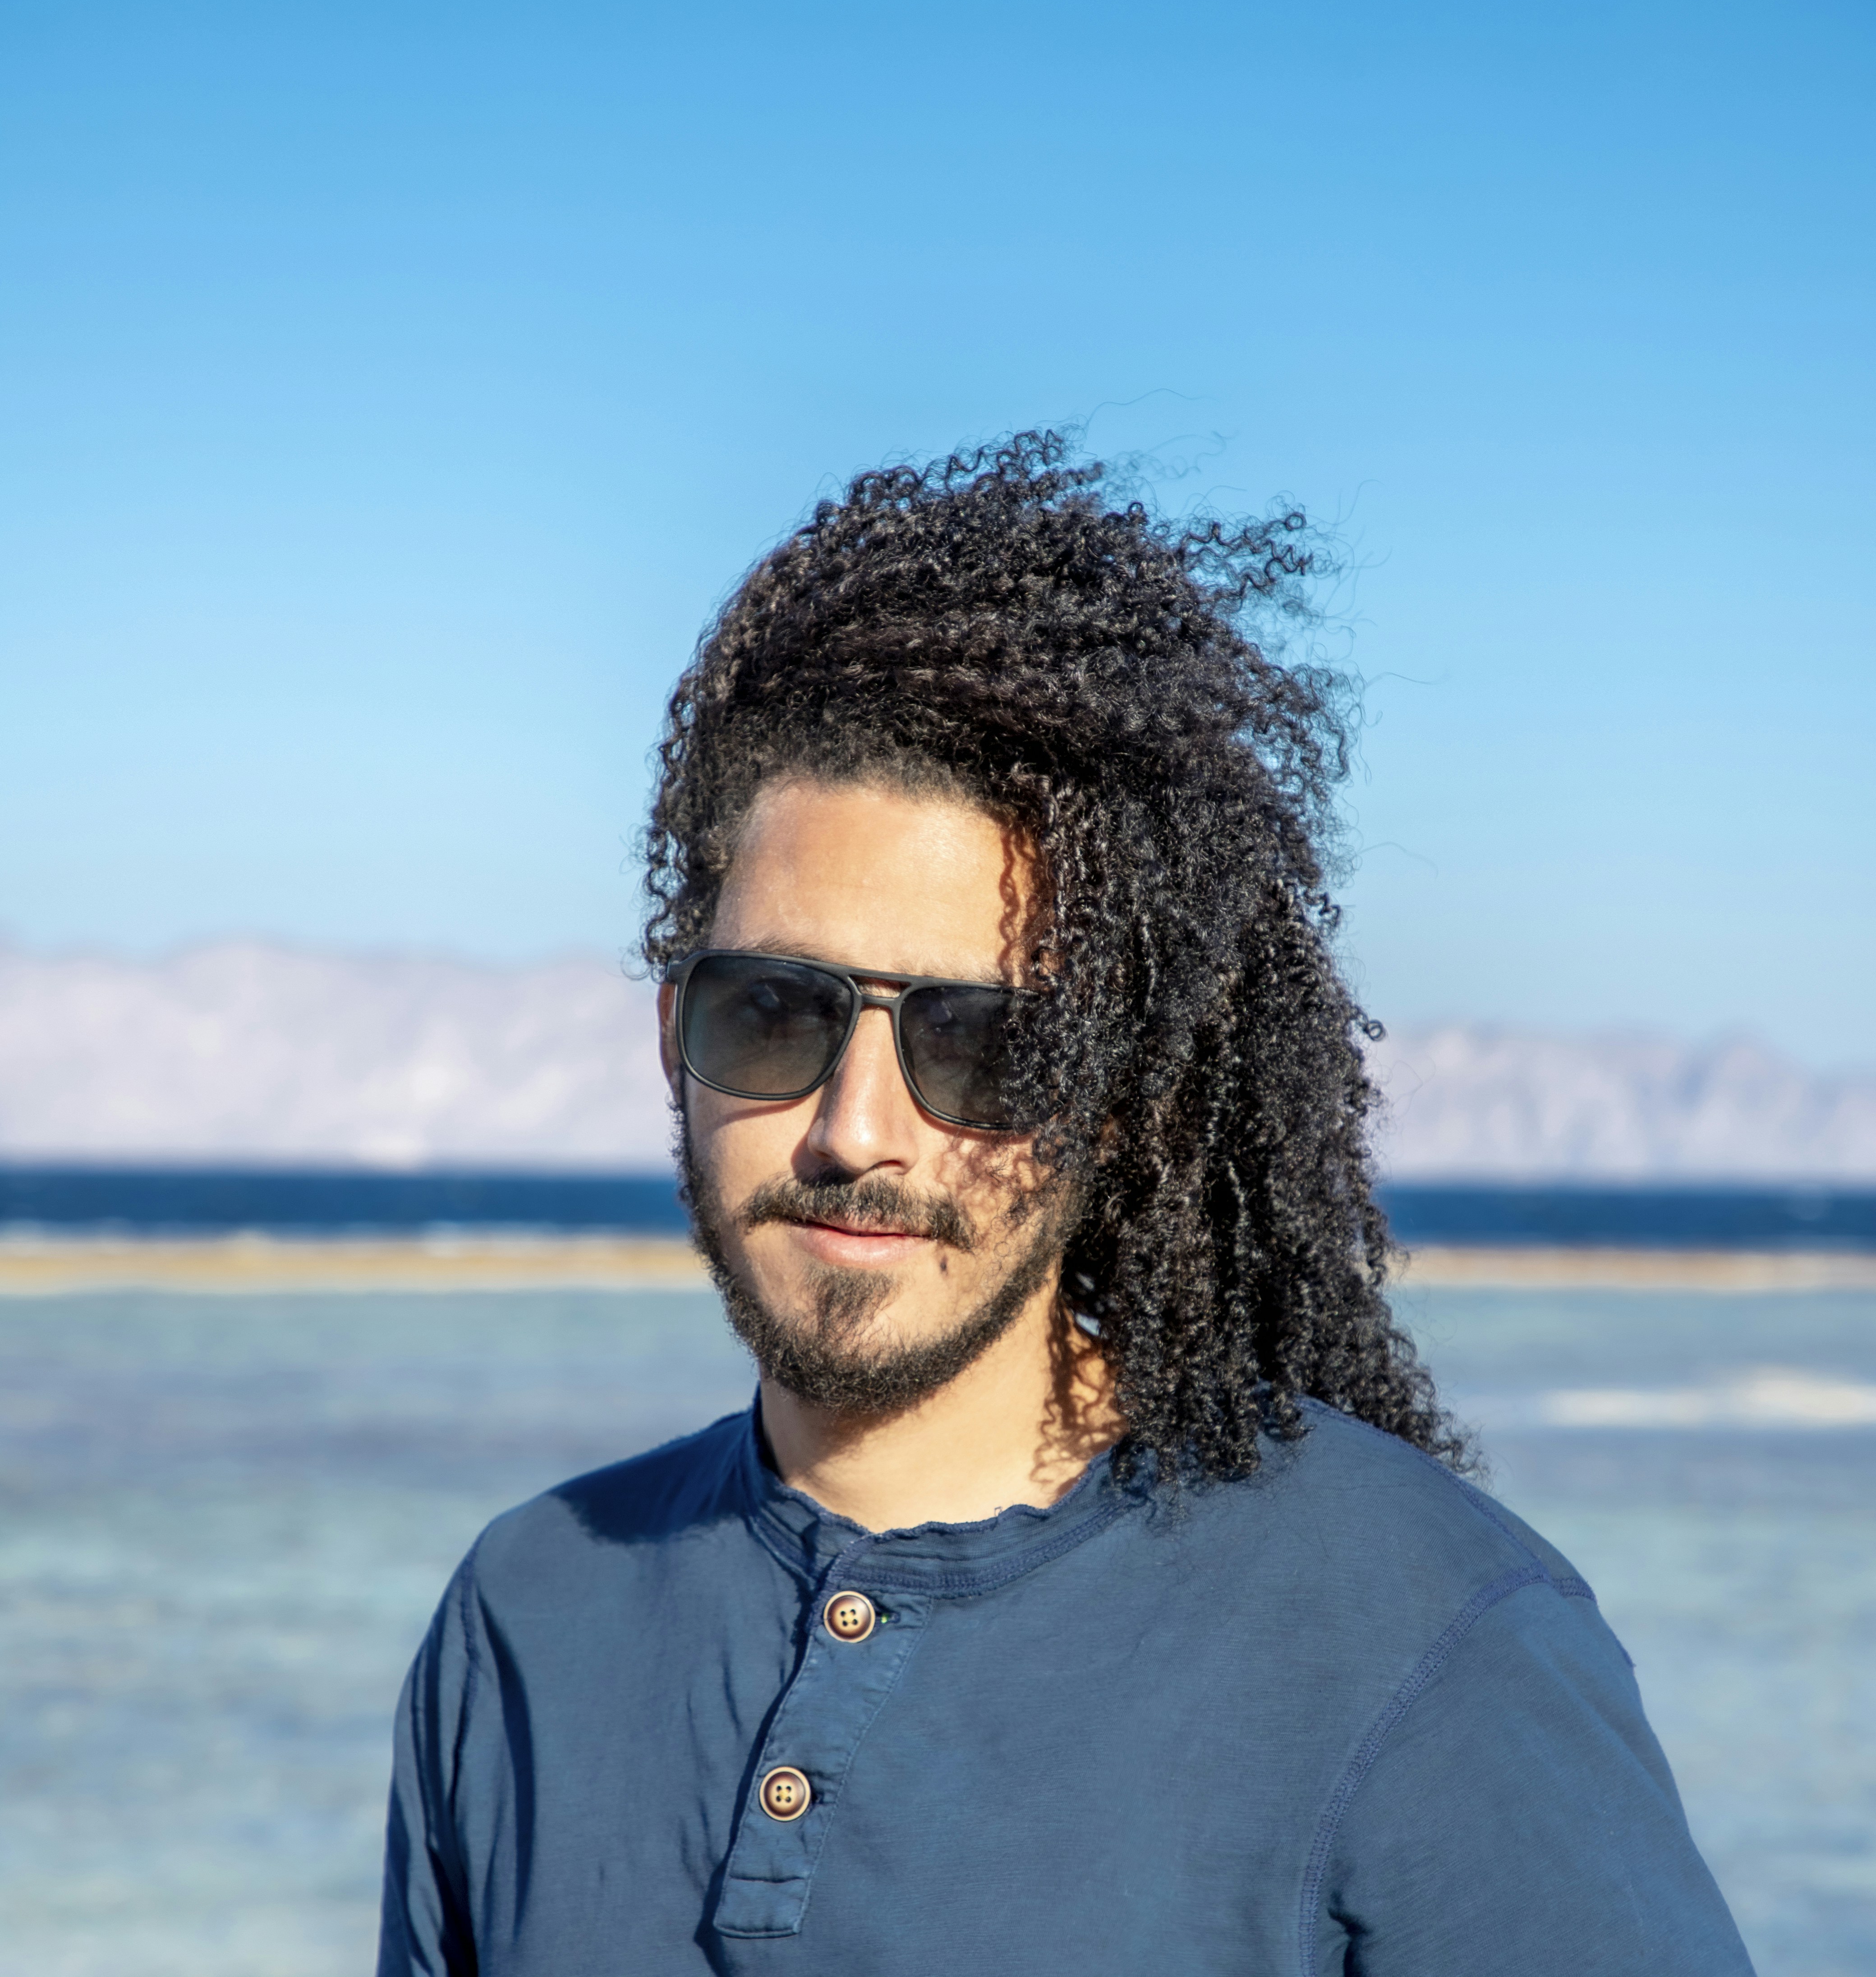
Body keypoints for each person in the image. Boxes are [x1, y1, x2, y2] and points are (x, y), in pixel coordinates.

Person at [377, 433, 1753, 1976]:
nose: (856, 1130)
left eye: (984, 1044)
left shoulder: (1430, 1645)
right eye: (776, 1012)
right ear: (671, 1034)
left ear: (1118, 1095)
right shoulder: (528, 1610)